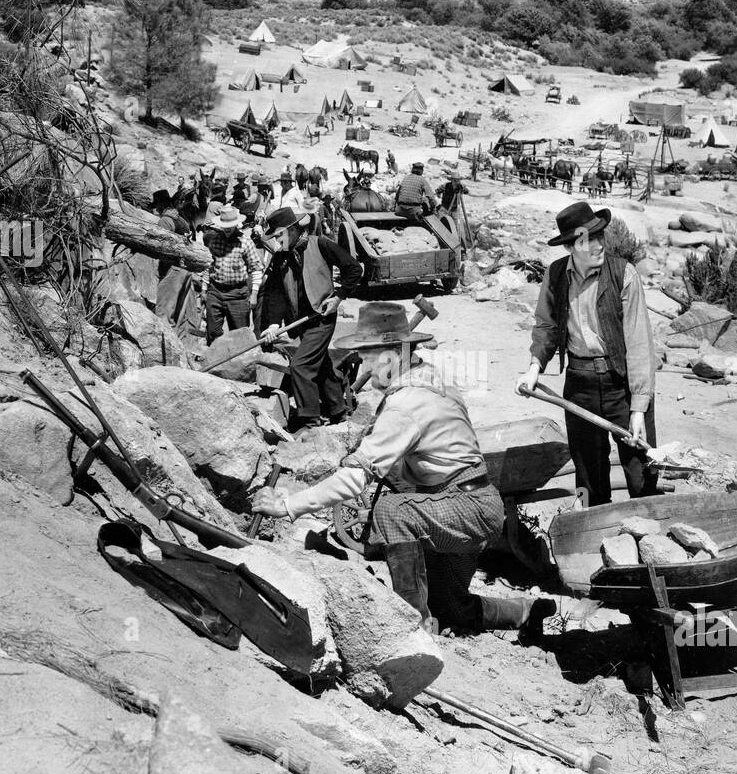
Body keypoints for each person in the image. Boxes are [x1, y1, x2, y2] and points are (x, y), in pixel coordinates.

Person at [251, 302, 555, 636]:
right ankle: (526, 611)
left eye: (370, 355)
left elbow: (356, 478)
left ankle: (412, 626)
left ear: (395, 353)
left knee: (392, 512)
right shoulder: (427, 378)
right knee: (452, 608)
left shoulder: (407, 402)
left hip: (467, 508)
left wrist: (288, 506)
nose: (365, 365)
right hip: (460, 506)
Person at [517, 201, 658, 505]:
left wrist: (638, 409)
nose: (597, 246)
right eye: (586, 240)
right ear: (570, 247)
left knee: (641, 468)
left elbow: (639, 345)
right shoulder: (556, 275)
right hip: (579, 384)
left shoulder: (624, 274)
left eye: (599, 236)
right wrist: (533, 369)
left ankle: (650, 535)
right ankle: (597, 534)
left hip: (621, 382)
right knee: (588, 474)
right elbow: (547, 326)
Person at [254, 205, 363, 429]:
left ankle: (310, 419)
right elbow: (275, 293)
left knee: (301, 366)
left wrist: (339, 297)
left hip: (322, 318)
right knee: (320, 364)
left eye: (279, 235)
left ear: (293, 230)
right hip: (300, 322)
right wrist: (273, 324)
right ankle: (338, 411)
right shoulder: (280, 257)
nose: (277, 240)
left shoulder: (320, 244)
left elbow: (354, 269)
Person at [200, 205, 263, 344]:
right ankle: (216, 361)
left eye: (230, 225)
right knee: (213, 333)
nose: (227, 229)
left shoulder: (245, 242)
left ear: (236, 224)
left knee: (240, 335)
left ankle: (241, 363)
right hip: (215, 291)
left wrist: (254, 294)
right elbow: (208, 265)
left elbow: (256, 268)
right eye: (225, 225)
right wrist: (204, 288)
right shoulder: (214, 241)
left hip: (238, 294)